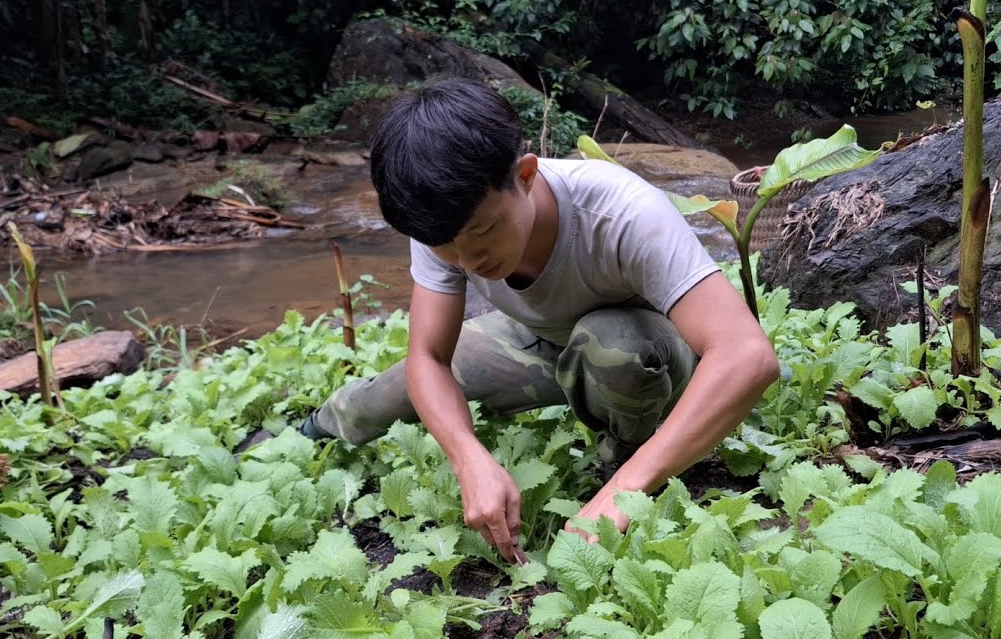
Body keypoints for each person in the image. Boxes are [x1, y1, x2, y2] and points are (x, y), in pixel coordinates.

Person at [299, 77, 779, 563]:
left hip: (653, 352)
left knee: (616, 343)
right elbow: (429, 356)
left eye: (483, 231)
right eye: (446, 247)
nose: (467, 259)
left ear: (525, 175)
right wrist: (469, 459)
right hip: (543, 340)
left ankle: (627, 464)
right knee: (396, 387)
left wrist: (624, 490)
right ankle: (313, 430)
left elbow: (746, 356)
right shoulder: (440, 216)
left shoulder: (623, 212)